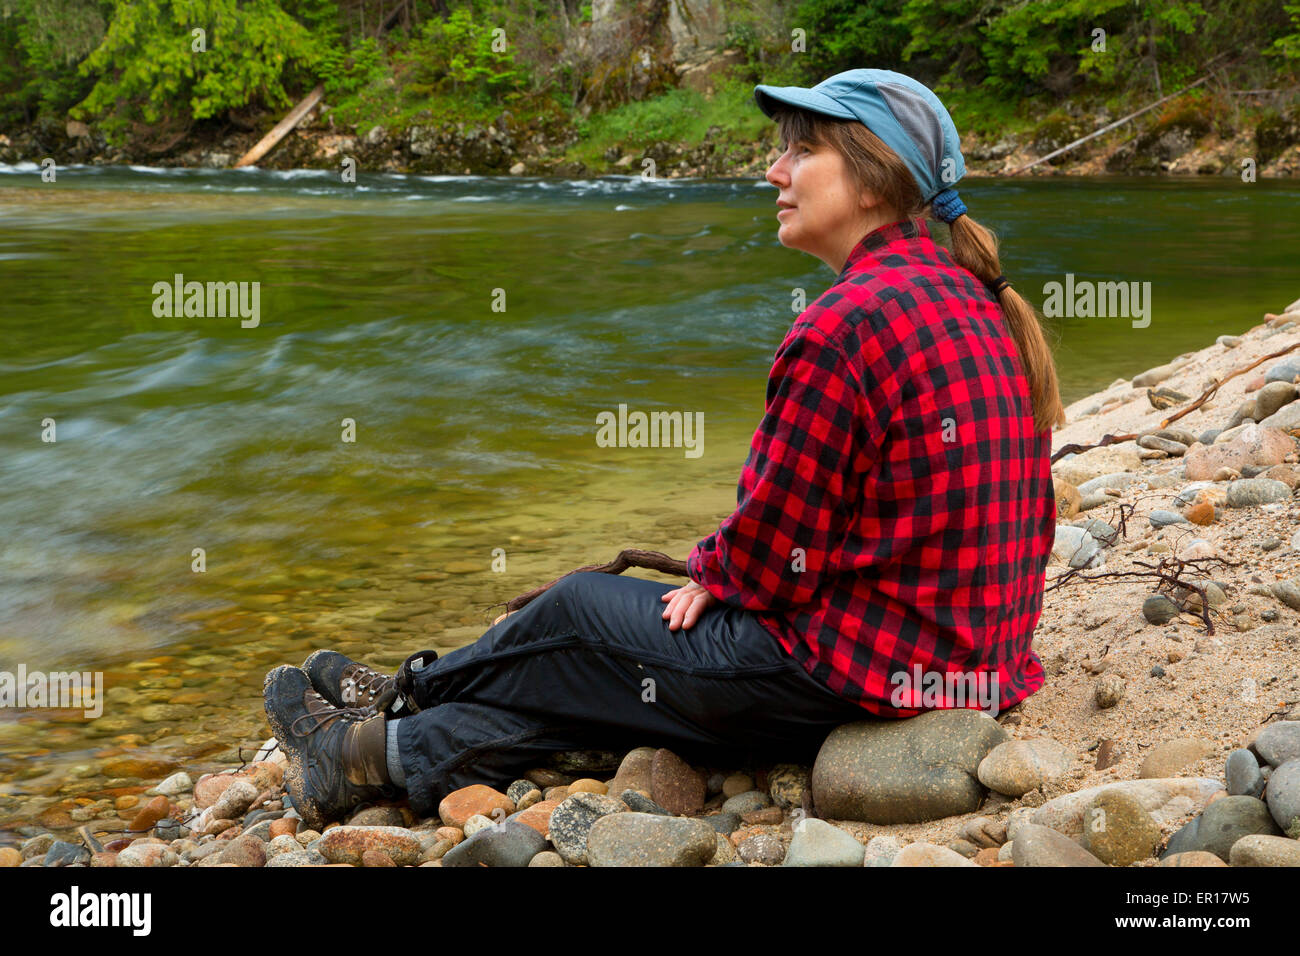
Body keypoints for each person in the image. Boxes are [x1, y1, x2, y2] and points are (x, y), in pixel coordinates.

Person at [263, 68, 1067, 832]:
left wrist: (719, 573)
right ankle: (382, 753)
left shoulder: (845, 324)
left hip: (857, 671)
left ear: (872, 178)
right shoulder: (969, 297)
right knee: (593, 681)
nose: (773, 170)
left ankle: (402, 697)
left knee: (580, 612)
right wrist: (725, 571)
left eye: (800, 148)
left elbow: (777, 546)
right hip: (973, 664)